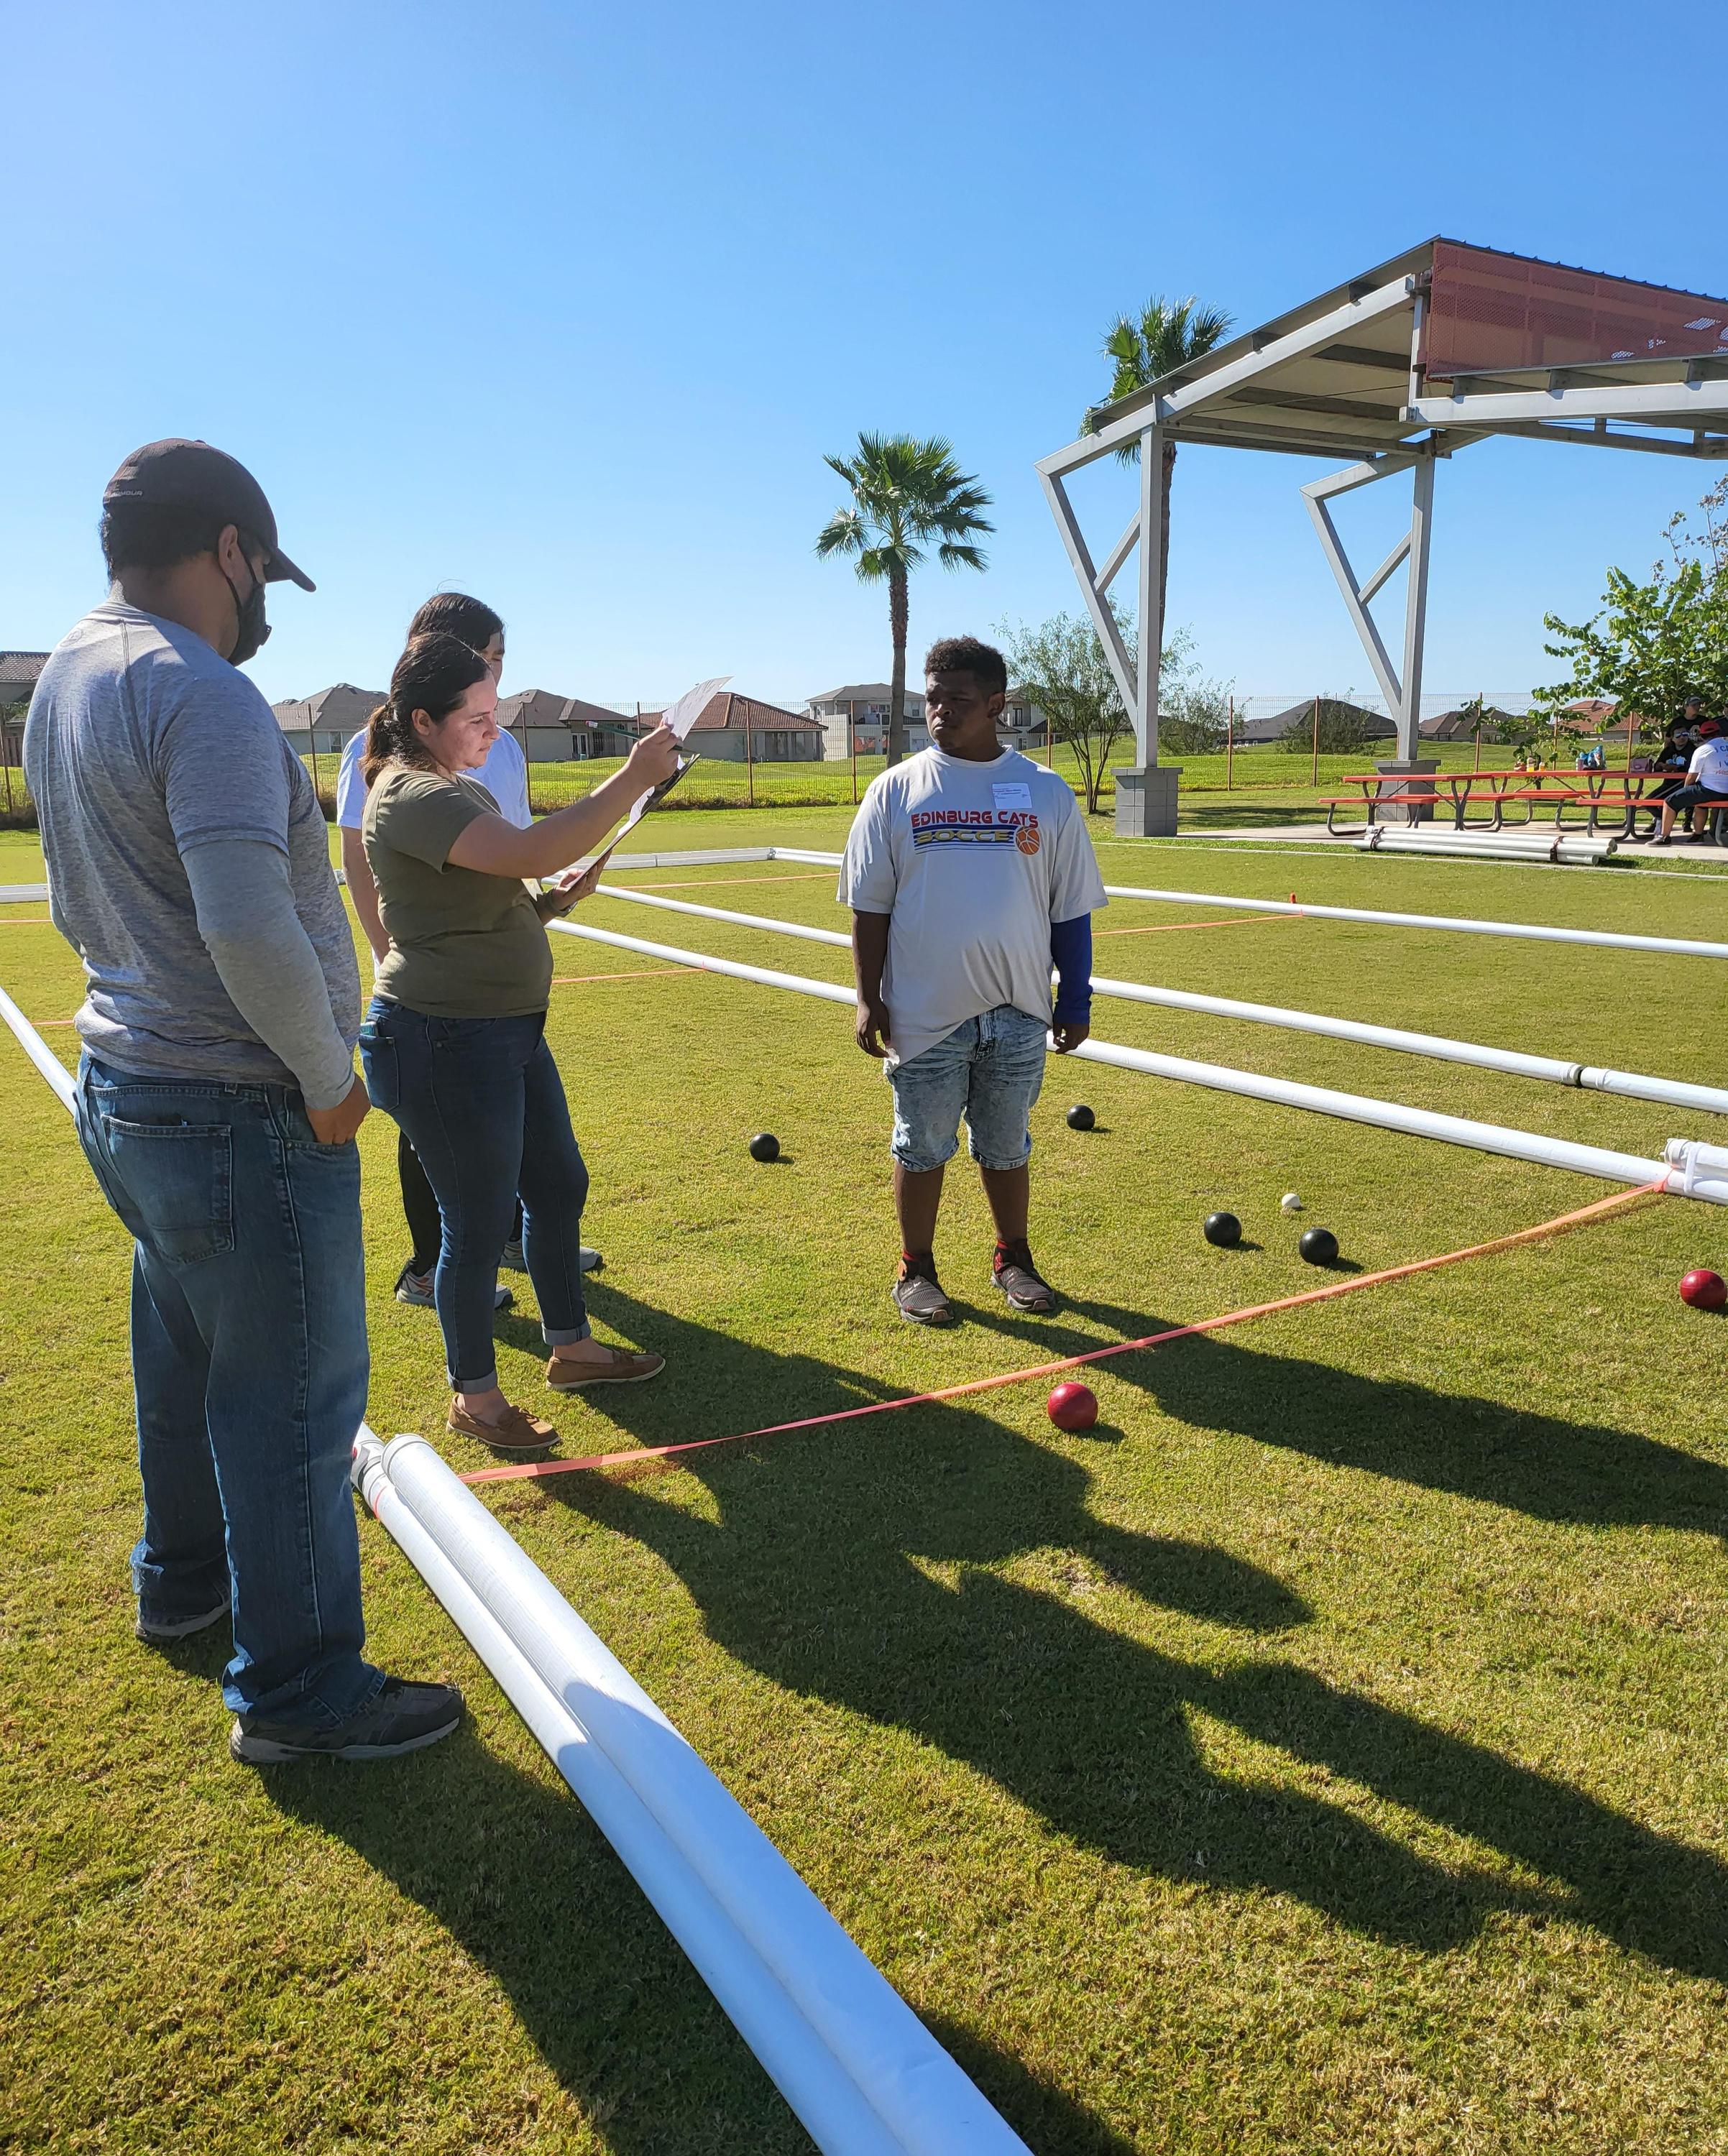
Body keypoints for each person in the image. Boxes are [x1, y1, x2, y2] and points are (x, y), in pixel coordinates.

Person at [24, 438, 461, 1764]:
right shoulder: (198, 691)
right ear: (227, 552)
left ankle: (187, 1584)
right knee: (291, 1399)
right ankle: (302, 1689)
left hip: (135, 1086)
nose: (264, 597)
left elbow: (69, 900)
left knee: (185, 1352)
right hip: (242, 1104)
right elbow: (249, 922)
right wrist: (331, 1083)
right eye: (262, 570)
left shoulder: (65, 675)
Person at [359, 633, 679, 1448]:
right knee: (472, 1223)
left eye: (494, 714)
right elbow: (531, 850)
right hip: (442, 1041)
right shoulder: (409, 794)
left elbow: (486, 901)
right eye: (476, 716)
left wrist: (548, 905)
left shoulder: (451, 787)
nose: (491, 730)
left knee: (558, 1185)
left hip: (502, 1034)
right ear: (423, 720)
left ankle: (571, 1347)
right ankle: (475, 1398)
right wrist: (633, 776)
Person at [335, 592, 600, 1302]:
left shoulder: (503, 747)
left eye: (500, 663)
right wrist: (398, 951)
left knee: (508, 1133)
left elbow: (512, 851)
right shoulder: (379, 758)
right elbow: (362, 861)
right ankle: (430, 1265)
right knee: (441, 1138)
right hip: (428, 977)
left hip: (494, 974)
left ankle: (521, 1240)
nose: (496, 681)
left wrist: (541, 906)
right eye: (484, 663)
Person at [839, 635, 1106, 1327]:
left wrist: (1072, 998)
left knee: (1007, 1142)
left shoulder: (1046, 793)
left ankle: (1012, 1258)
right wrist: (869, 997)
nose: (940, 712)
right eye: (932, 699)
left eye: (957, 700)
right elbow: (870, 906)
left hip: (1018, 1010)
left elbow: (1069, 906)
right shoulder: (894, 790)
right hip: (925, 1012)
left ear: (996, 705)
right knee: (922, 1145)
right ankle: (916, 1270)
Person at [1652, 716, 1728, 844]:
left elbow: (1691, 777)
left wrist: (1685, 791)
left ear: (1702, 736)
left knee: (1670, 802)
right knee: (1701, 804)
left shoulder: (1703, 750)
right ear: (1719, 733)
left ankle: (1664, 837)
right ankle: (1697, 835)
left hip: (1710, 790)